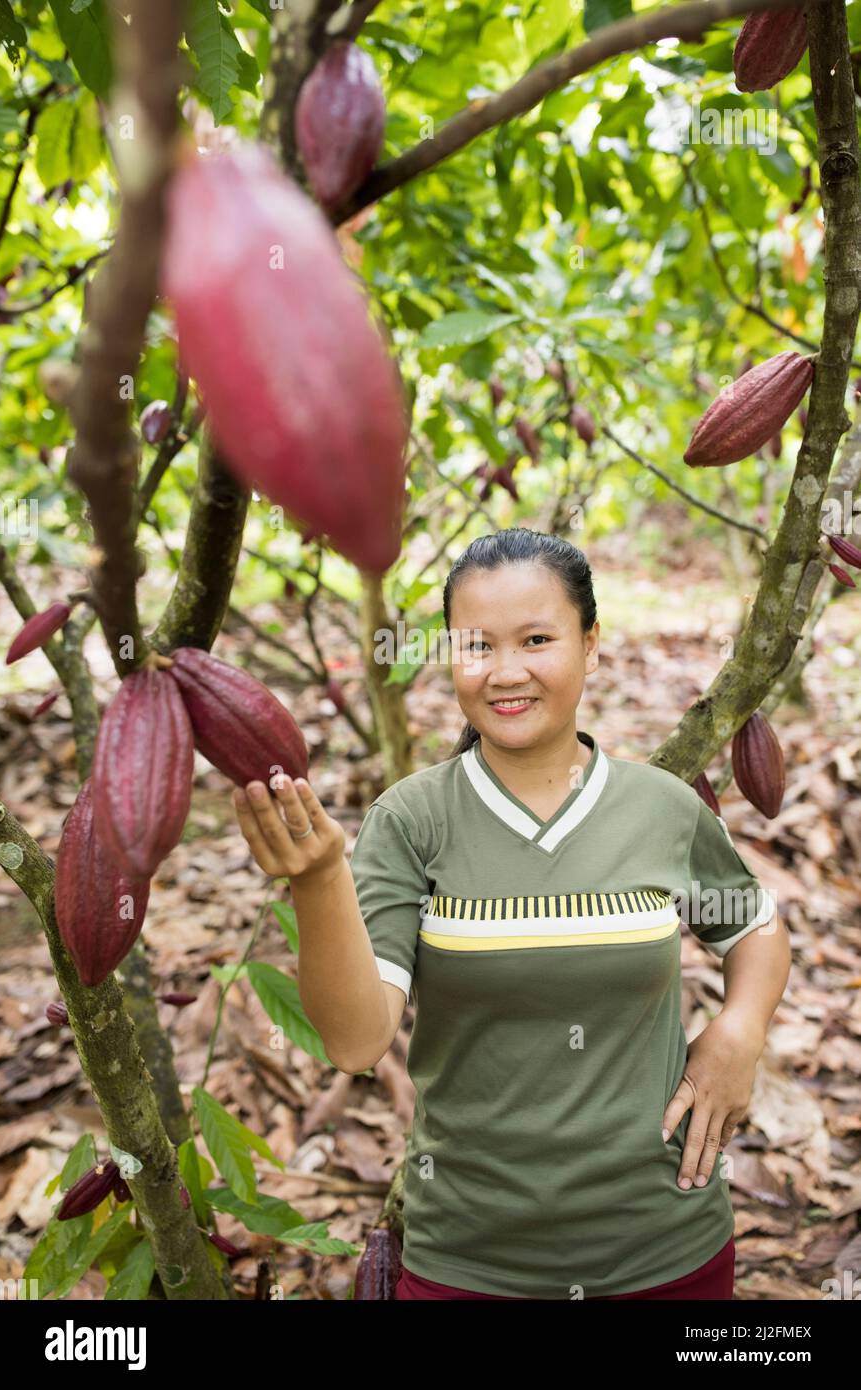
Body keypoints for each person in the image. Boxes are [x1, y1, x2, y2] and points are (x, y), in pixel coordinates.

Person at [232, 527, 792, 1300]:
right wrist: (321, 877)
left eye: (537, 639)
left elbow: (755, 926)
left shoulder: (660, 808)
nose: (506, 673)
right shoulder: (412, 820)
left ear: (590, 644)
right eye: (477, 646)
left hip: (668, 1246)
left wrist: (741, 1030)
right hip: (469, 1260)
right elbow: (355, 1039)